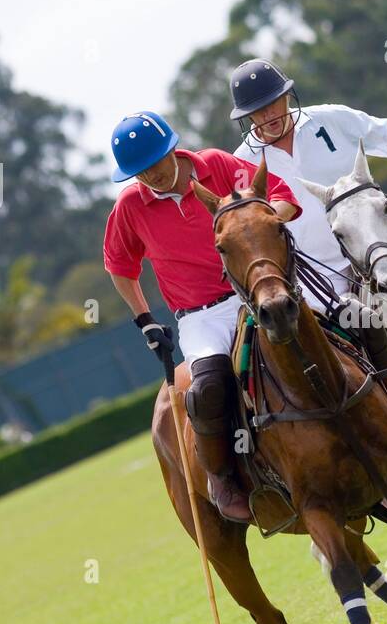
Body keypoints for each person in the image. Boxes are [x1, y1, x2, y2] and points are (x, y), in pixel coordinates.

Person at [102, 111, 301, 520]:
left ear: (172, 149)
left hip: (258, 289)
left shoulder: (219, 166)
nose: (151, 176)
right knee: (208, 386)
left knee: (341, 324)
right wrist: (145, 320)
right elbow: (120, 267)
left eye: (155, 162)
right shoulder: (130, 208)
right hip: (201, 316)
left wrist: (260, 224)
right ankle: (223, 478)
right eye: (139, 172)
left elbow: (283, 195)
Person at [227, 59, 387, 313]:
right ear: (247, 117)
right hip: (320, 272)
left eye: (274, 101)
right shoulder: (240, 163)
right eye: (259, 109)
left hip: (382, 245)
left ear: (287, 95)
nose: (269, 113)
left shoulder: (329, 118)